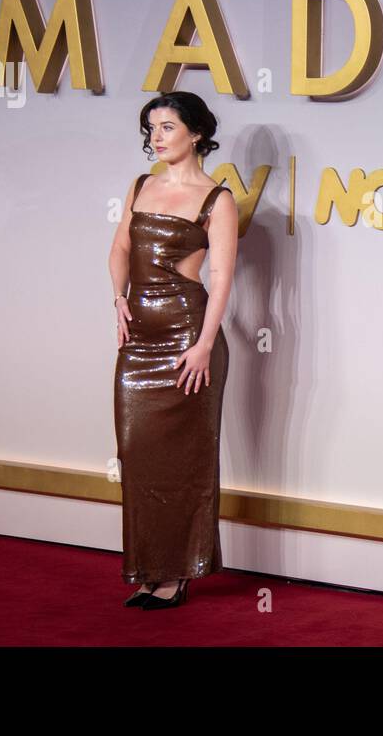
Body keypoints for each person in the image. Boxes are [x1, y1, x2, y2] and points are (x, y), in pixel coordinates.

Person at [108, 90, 237, 611]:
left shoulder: (217, 199)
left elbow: (223, 279)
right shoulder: (141, 185)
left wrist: (205, 345)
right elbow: (120, 247)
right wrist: (119, 297)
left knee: (185, 461)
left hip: (189, 340)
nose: (157, 138)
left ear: (197, 133)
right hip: (139, 342)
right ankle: (147, 567)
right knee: (137, 454)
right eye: (152, 129)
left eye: (167, 128)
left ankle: (177, 574)